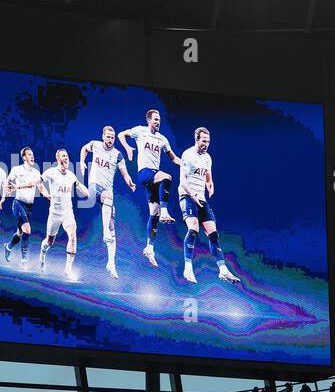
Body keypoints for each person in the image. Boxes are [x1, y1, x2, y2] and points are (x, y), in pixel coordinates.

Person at [118, 109, 181, 268]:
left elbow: (173, 158)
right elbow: (121, 135)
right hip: (144, 173)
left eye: (159, 120)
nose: (157, 122)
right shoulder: (140, 131)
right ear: (148, 121)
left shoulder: (162, 139)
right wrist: (127, 148)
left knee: (154, 213)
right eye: (155, 119)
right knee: (167, 177)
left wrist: (187, 165)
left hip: (153, 179)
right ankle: (166, 210)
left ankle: (149, 247)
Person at [177, 127, 240, 284]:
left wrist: (211, 186)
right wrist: (193, 196)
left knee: (213, 234)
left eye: (208, 142)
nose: (206, 144)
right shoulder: (187, 155)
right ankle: (188, 268)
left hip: (201, 199)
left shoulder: (208, 158)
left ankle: (223, 270)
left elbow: (208, 178)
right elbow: (182, 182)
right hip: (187, 196)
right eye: (204, 141)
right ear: (197, 139)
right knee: (193, 230)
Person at [78, 125, 136, 277]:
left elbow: (125, 173)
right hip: (93, 187)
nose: (110, 139)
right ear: (103, 136)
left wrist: (130, 182)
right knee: (109, 198)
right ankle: (104, 233)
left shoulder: (118, 155)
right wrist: (82, 162)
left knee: (112, 226)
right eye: (108, 137)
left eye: (112, 137)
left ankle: (111, 263)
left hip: (106, 191)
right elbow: (84, 148)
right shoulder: (95, 145)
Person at [38, 149, 90, 280]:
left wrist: (88, 193)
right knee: (49, 242)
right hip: (55, 213)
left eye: (67, 155)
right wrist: (45, 193)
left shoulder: (71, 175)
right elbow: (38, 183)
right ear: (58, 158)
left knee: (72, 236)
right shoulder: (50, 172)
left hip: (68, 212)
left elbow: (79, 186)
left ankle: (68, 269)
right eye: (63, 156)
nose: (66, 158)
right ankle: (43, 254)